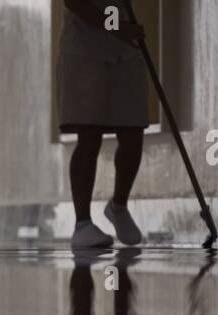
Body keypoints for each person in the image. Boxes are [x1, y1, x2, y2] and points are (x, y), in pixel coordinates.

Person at [58, 0, 148, 248]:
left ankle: (118, 206)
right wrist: (119, 28)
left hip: (125, 49)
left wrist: (122, 31)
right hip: (85, 48)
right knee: (89, 135)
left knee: (132, 132)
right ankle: (83, 224)